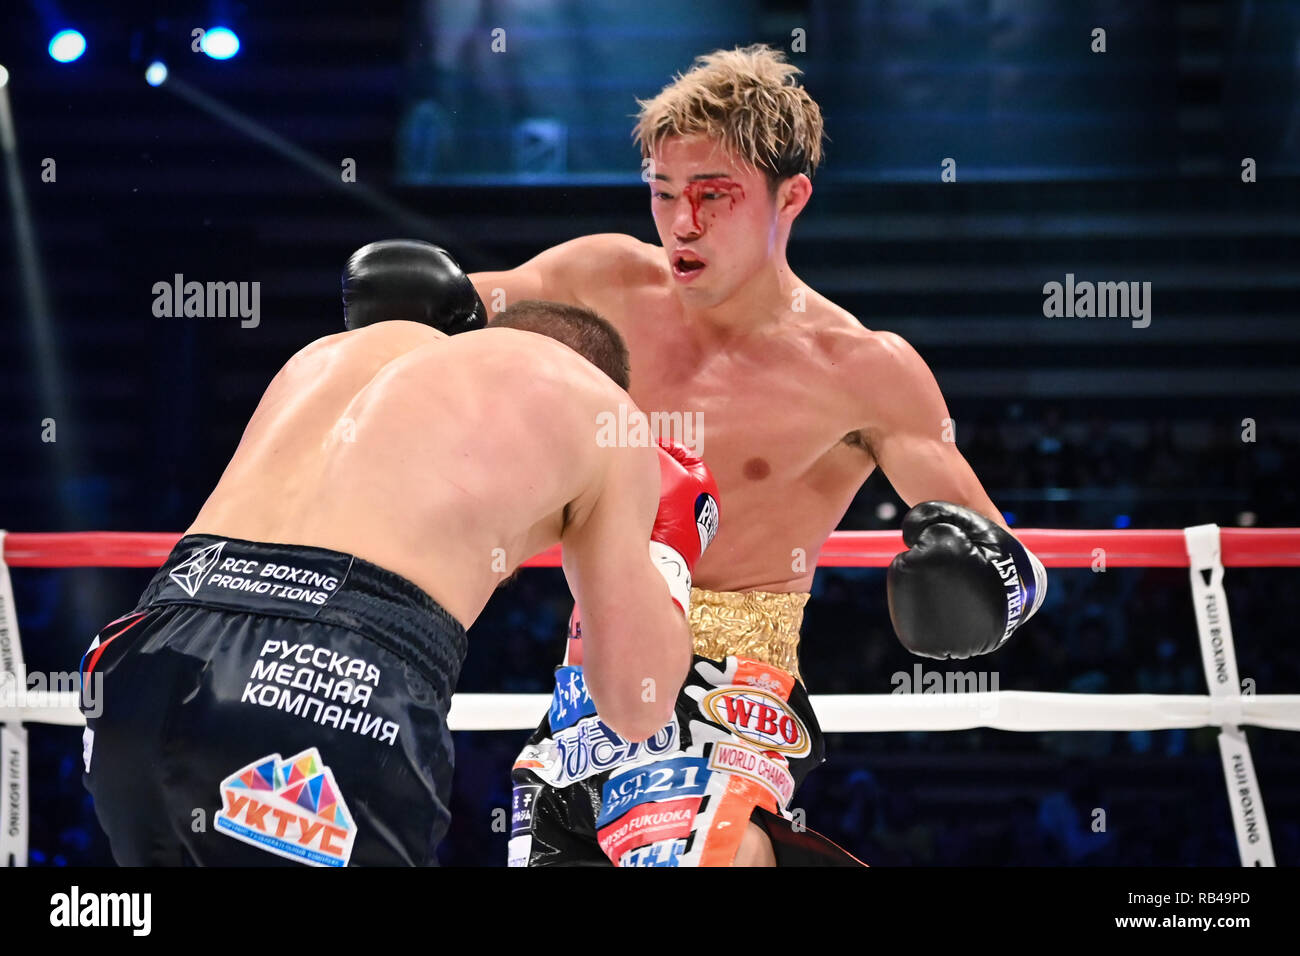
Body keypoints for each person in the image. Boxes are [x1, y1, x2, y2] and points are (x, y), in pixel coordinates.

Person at [470, 46, 1047, 867]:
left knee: (711, 854)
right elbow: (451, 315)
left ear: (792, 197)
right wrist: (410, 305)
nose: (683, 223)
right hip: (587, 677)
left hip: (734, 687)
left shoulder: (862, 368)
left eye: (714, 196)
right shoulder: (597, 279)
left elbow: (1008, 559)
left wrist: (979, 586)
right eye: (665, 194)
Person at [78, 240, 720, 866]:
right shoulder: (610, 416)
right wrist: (667, 552)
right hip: (331, 683)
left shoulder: (332, 355)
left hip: (147, 657)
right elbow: (635, 705)